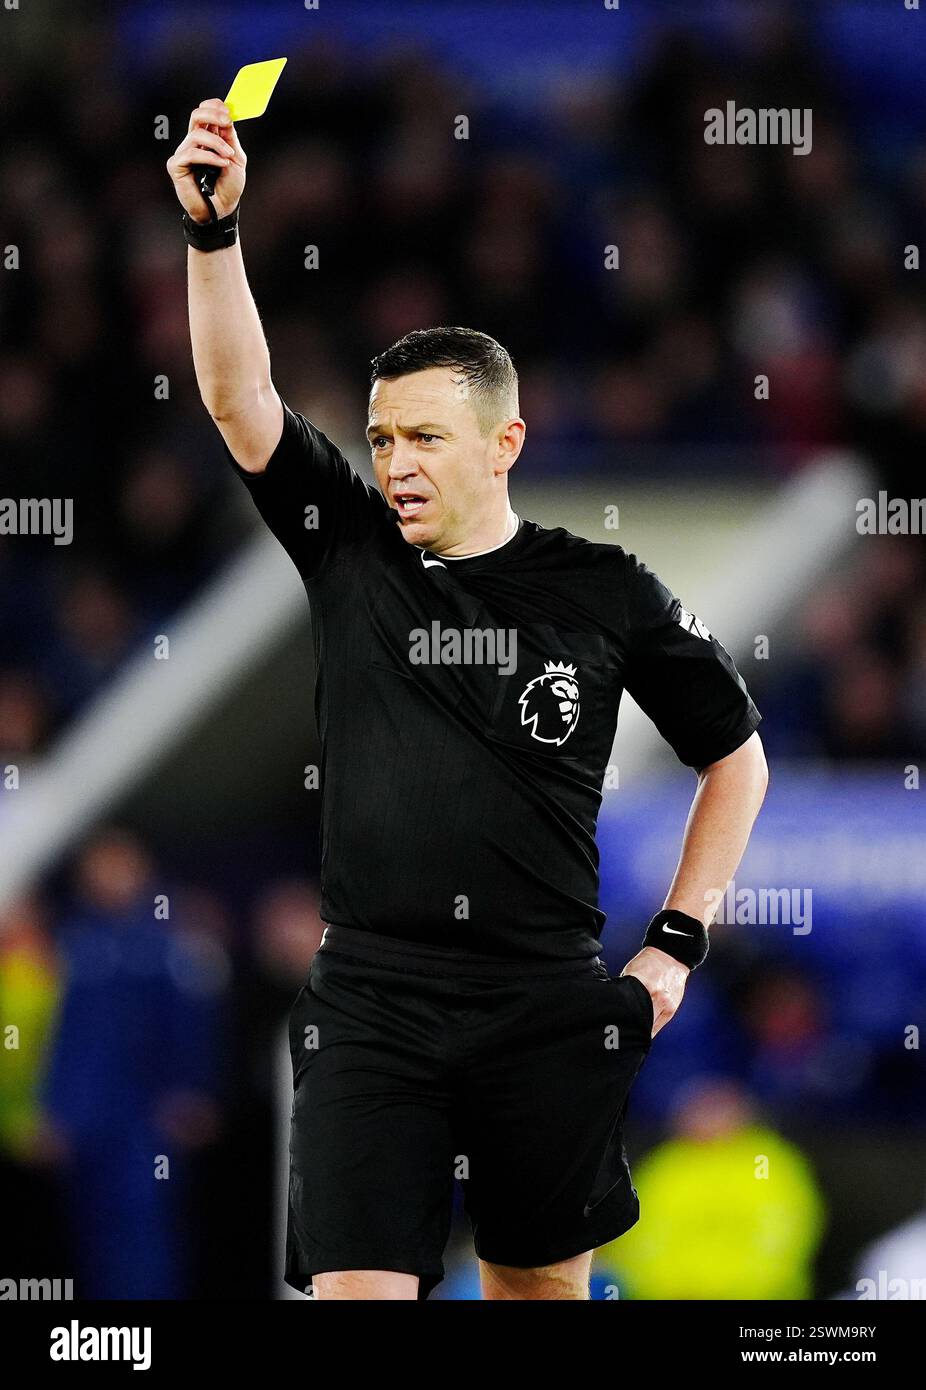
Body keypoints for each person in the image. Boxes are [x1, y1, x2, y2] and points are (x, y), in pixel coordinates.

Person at [167, 99, 769, 1301]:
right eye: (383, 437)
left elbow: (733, 756)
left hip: (542, 1001)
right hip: (372, 1000)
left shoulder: (602, 589)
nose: (393, 463)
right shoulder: (349, 550)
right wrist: (215, 235)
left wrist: (675, 942)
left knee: (534, 1293)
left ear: (502, 444)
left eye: (425, 438)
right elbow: (242, 402)